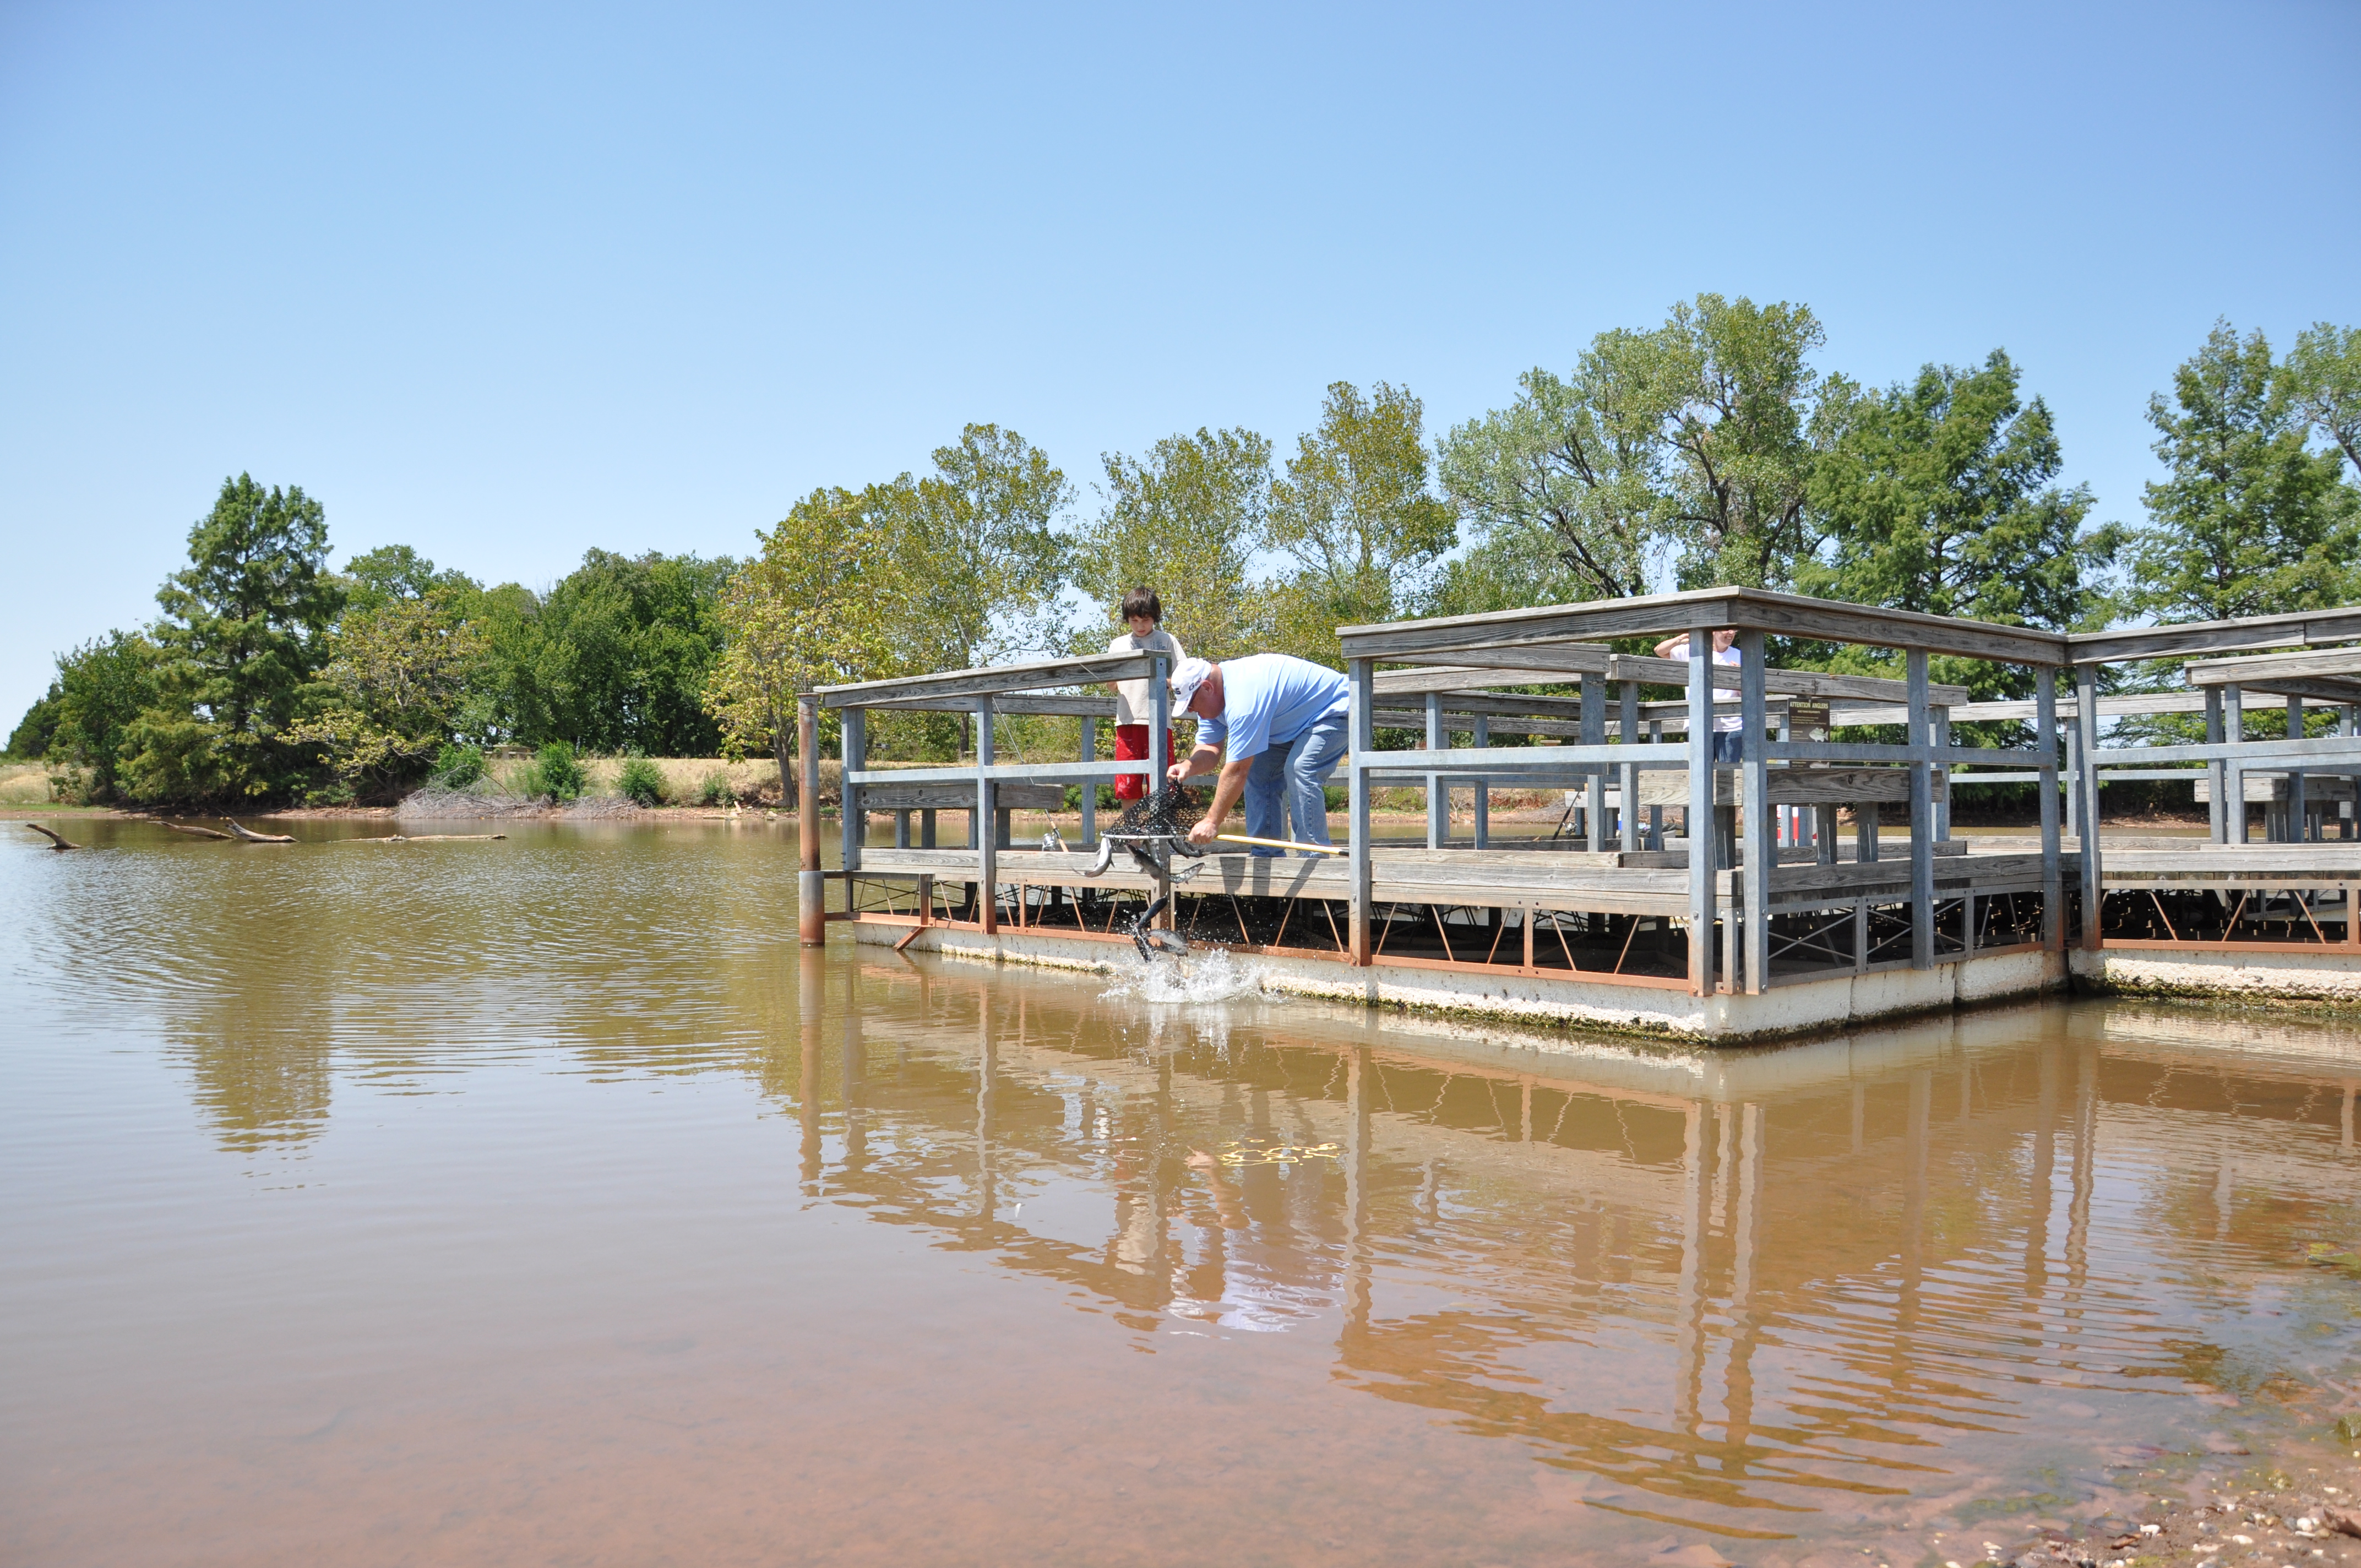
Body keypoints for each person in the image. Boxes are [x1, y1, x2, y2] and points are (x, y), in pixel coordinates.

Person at [1165, 654, 1350, 856]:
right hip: (1289, 723)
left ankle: (1314, 857)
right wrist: (1189, 765)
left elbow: (1237, 770)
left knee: (1301, 770)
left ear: (1208, 688)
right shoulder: (1211, 702)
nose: (1191, 710)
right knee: (1260, 774)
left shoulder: (1243, 700)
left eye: (1190, 703)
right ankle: (1265, 855)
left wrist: (1211, 821)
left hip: (1333, 709)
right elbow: (1210, 749)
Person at [1106, 588, 1184, 802]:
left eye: (1146, 620)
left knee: (1162, 786)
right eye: (1134, 620)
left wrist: (1164, 681)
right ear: (1127, 620)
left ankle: (1156, 835)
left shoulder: (1168, 641)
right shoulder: (1118, 645)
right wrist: (1110, 681)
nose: (1140, 626)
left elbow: (1183, 678)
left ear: (1155, 618)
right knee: (1127, 786)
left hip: (1160, 724)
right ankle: (1133, 837)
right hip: (1127, 721)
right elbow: (1112, 686)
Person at [1655, 628, 1744, 762]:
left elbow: (1747, 694)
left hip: (1732, 726)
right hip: (1699, 724)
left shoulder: (1740, 655)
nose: (1731, 633)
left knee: (1727, 776)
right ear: (1714, 631)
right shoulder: (1692, 650)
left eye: (1734, 630)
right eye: (1727, 629)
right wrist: (1679, 640)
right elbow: (1660, 651)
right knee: (1699, 772)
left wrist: (1739, 678)